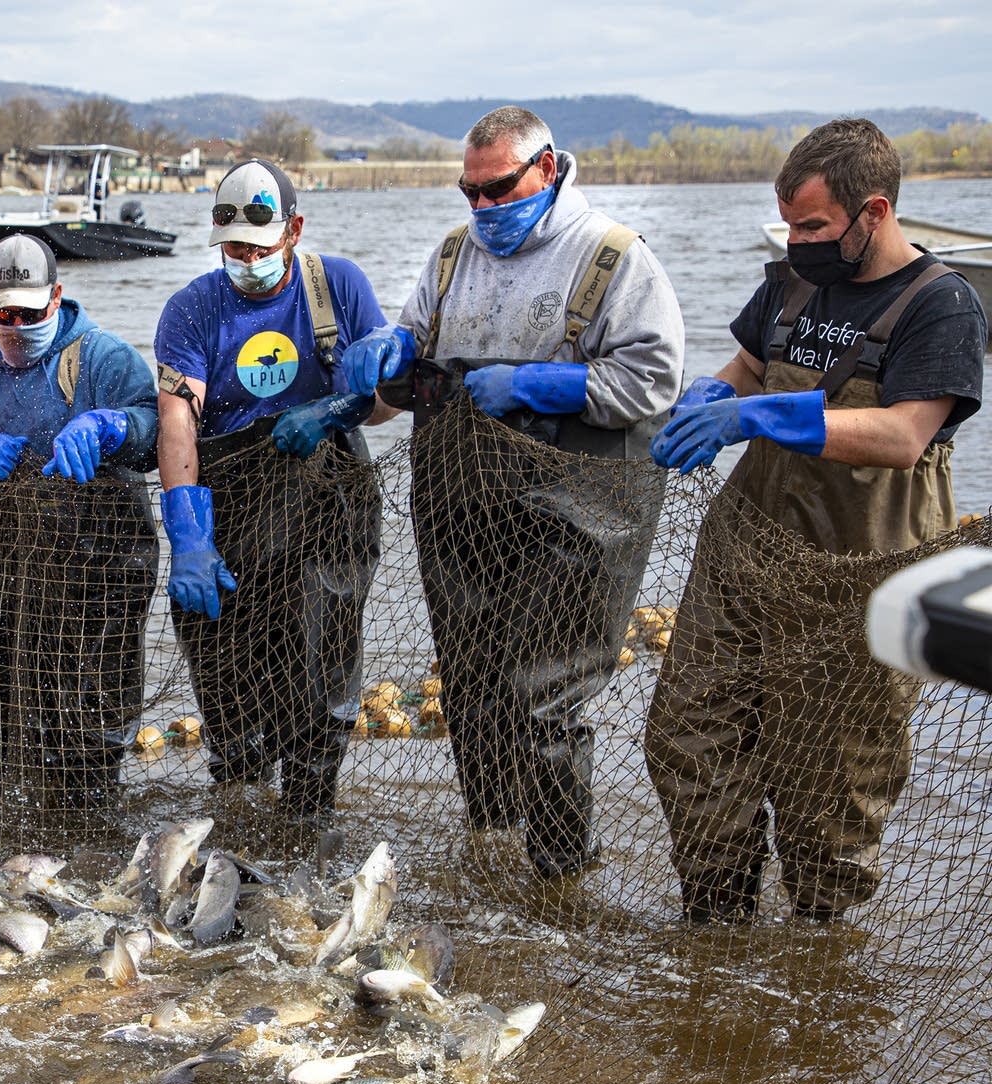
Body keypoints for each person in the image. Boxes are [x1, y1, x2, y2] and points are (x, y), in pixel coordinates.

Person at [645, 118, 985, 923]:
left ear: (873, 211)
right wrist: (718, 391)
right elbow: (750, 361)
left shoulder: (942, 306)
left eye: (814, 226)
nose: (799, 241)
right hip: (745, 553)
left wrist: (761, 417)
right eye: (791, 223)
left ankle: (815, 968)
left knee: (829, 791)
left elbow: (905, 435)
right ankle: (718, 917)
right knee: (686, 736)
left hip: (860, 581)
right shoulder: (792, 283)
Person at [342, 105, 685, 878]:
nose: (483, 209)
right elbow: (414, 351)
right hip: (465, 497)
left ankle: (562, 875)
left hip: (582, 504)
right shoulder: (453, 254)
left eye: (499, 190)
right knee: (471, 682)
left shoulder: (614, 258)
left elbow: (654, 382)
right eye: (470, 192)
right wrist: (391, 356)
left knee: (546, 696)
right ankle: (491, 842)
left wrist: (541, 382)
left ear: (549, 168)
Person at [152, 158, 391, 841]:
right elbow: (177, 421)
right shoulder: (193, 308)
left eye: (261, 247)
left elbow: (379, 404)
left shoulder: (336, 285)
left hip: (329, 503)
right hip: (230, 503)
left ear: (294, 229)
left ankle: (311, 813)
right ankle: (242, 810)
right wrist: (188, 535)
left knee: (321, 665)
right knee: (230, 679)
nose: (248, 260)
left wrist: (340, 406)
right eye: (234, 249)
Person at [0, 235, 160, 802]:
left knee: (92, 714)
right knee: (4, 705)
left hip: (99, 572)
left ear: (57, 296)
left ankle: (92, 815)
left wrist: (113, 427)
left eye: (30, 313)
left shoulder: (104, 359)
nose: (16, 326)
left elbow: (161, 435)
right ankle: (22, 809)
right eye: (3, 313)